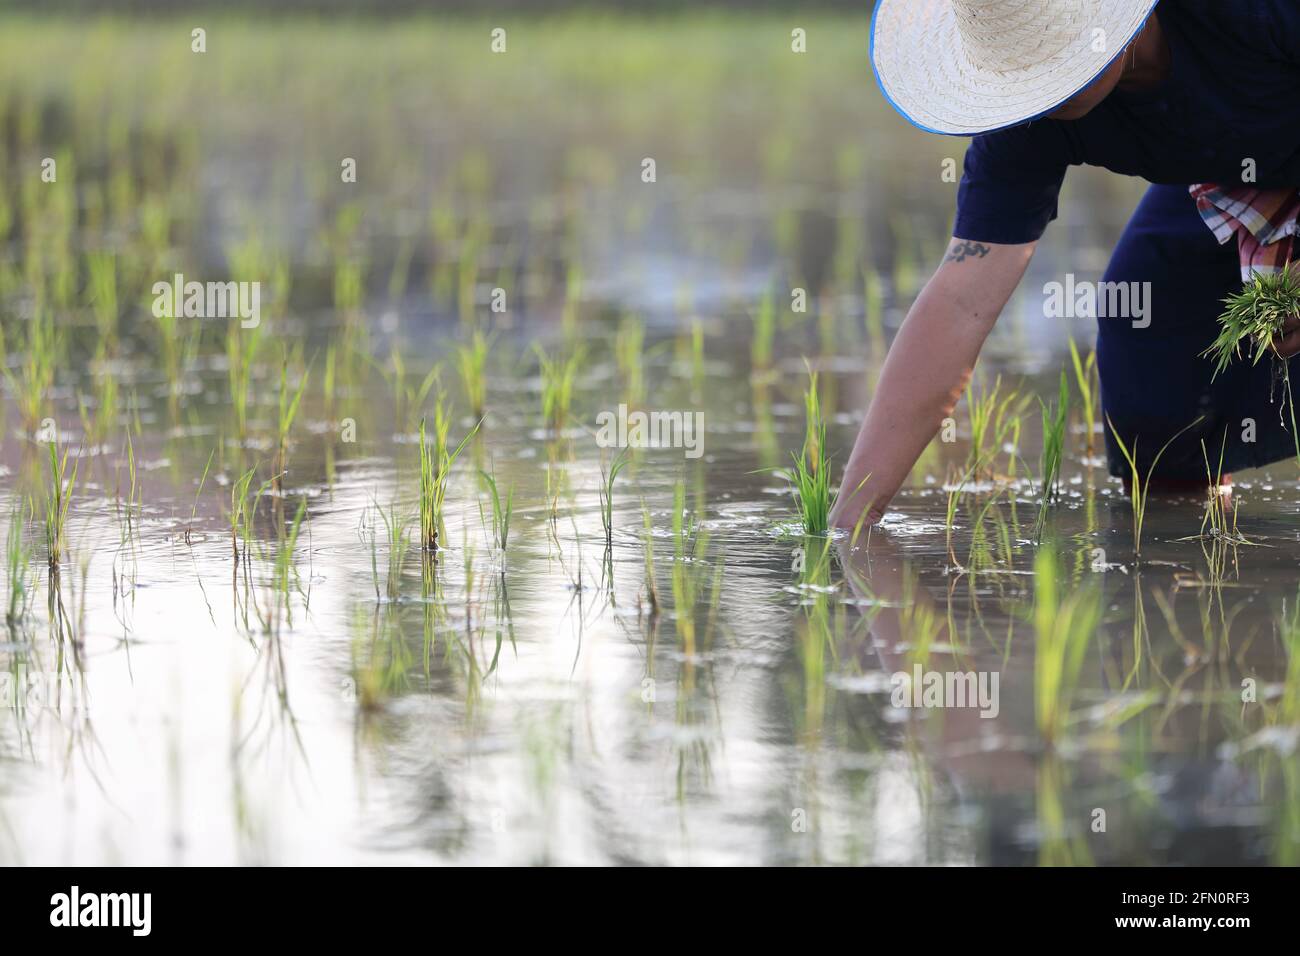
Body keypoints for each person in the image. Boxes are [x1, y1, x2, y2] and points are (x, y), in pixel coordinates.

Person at [831, 0, 1300, 530]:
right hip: (1235, 176)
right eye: (1025, 68)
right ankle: (1192, 569)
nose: (1041, 89)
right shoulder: (1030, 112)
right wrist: (853, 517)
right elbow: (962, 300)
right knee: (1147, 335)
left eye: (1055, 56)